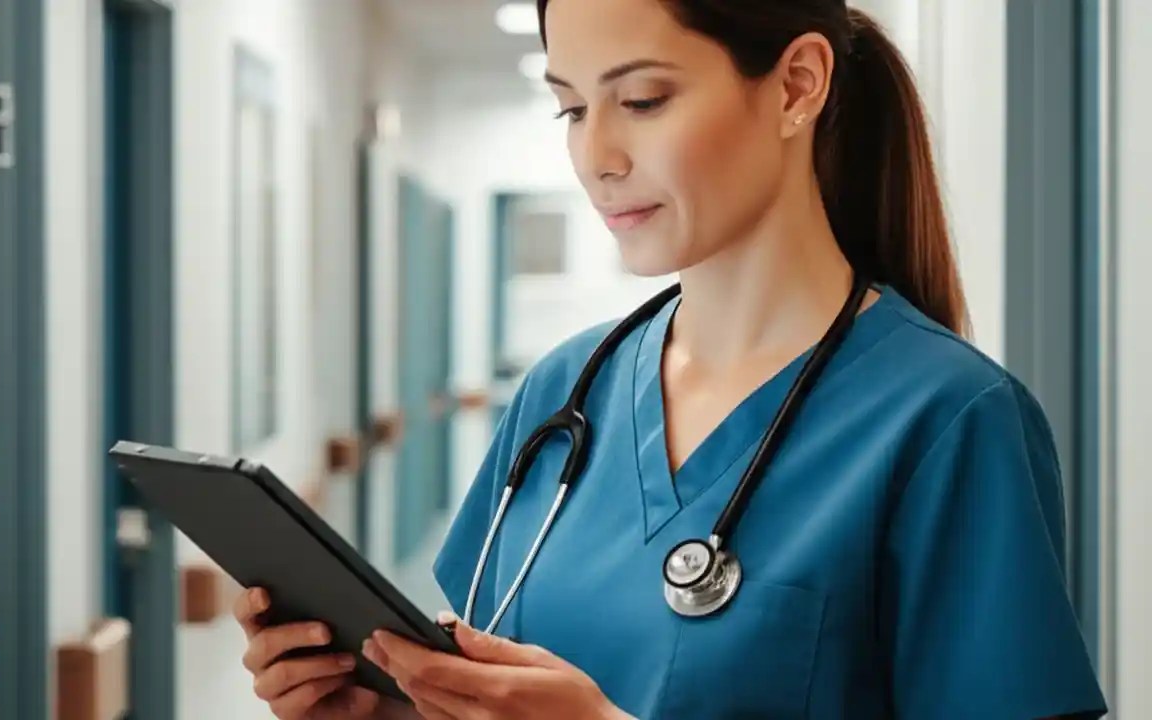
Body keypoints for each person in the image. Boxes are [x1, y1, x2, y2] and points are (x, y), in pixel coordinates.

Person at [233, 0, 1109, 717]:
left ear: (797, 86)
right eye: (573, 108)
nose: (597, 157)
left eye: (643, 100)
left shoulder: (947, 419)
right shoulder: (564, 391)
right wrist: (384, 708)